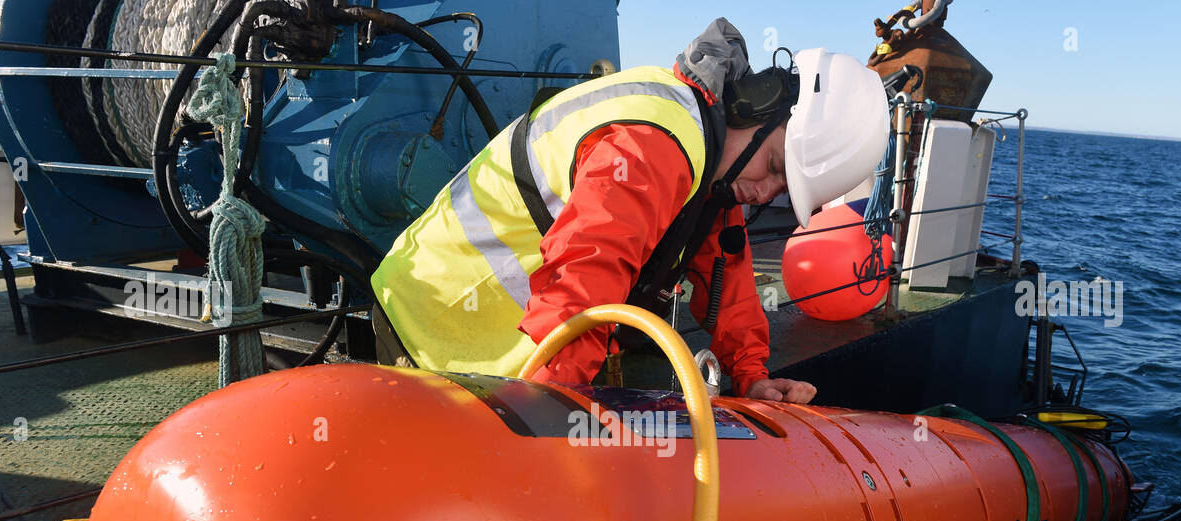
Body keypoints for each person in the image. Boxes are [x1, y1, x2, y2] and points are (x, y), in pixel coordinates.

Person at [370, 19, 889, 403]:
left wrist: (752, 374)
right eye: (776, 166)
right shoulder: (654, 146)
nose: (767, 191)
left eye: (784, 189)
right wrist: (546, 415)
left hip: (512, 350)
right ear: (755, 106)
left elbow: (727, 272)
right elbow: (582, 283)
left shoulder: (710, 163)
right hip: (437, 334)